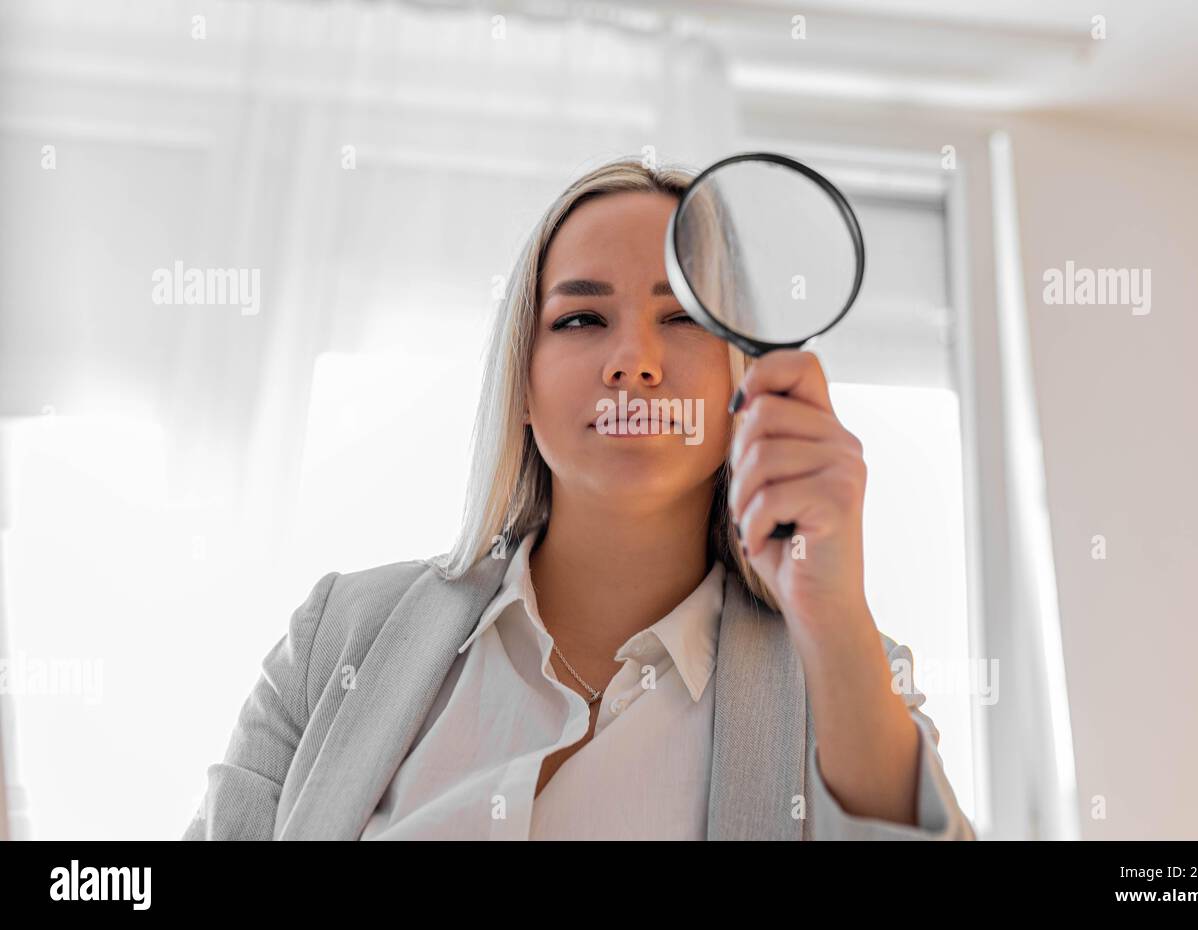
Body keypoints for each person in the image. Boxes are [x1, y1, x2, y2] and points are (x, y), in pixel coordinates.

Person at [183, 155, 976, 841]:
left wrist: (833, 618)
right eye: (583, 318)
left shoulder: (845, 676)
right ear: (522, 387)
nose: (634, 360)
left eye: (683, 317)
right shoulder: (336, 640)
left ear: (744, 377)